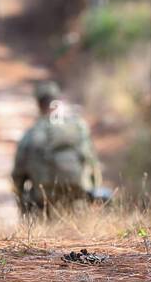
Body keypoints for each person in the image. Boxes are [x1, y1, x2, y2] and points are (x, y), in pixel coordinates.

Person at [11, 81, 104, 216]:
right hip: (79, 204)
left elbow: (17, 176)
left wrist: (22, 203)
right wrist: (94, 192)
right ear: (58, 101)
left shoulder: (31, 134)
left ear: (38, 104)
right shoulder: (79, 127)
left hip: (43, 207)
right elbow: (93, 164)